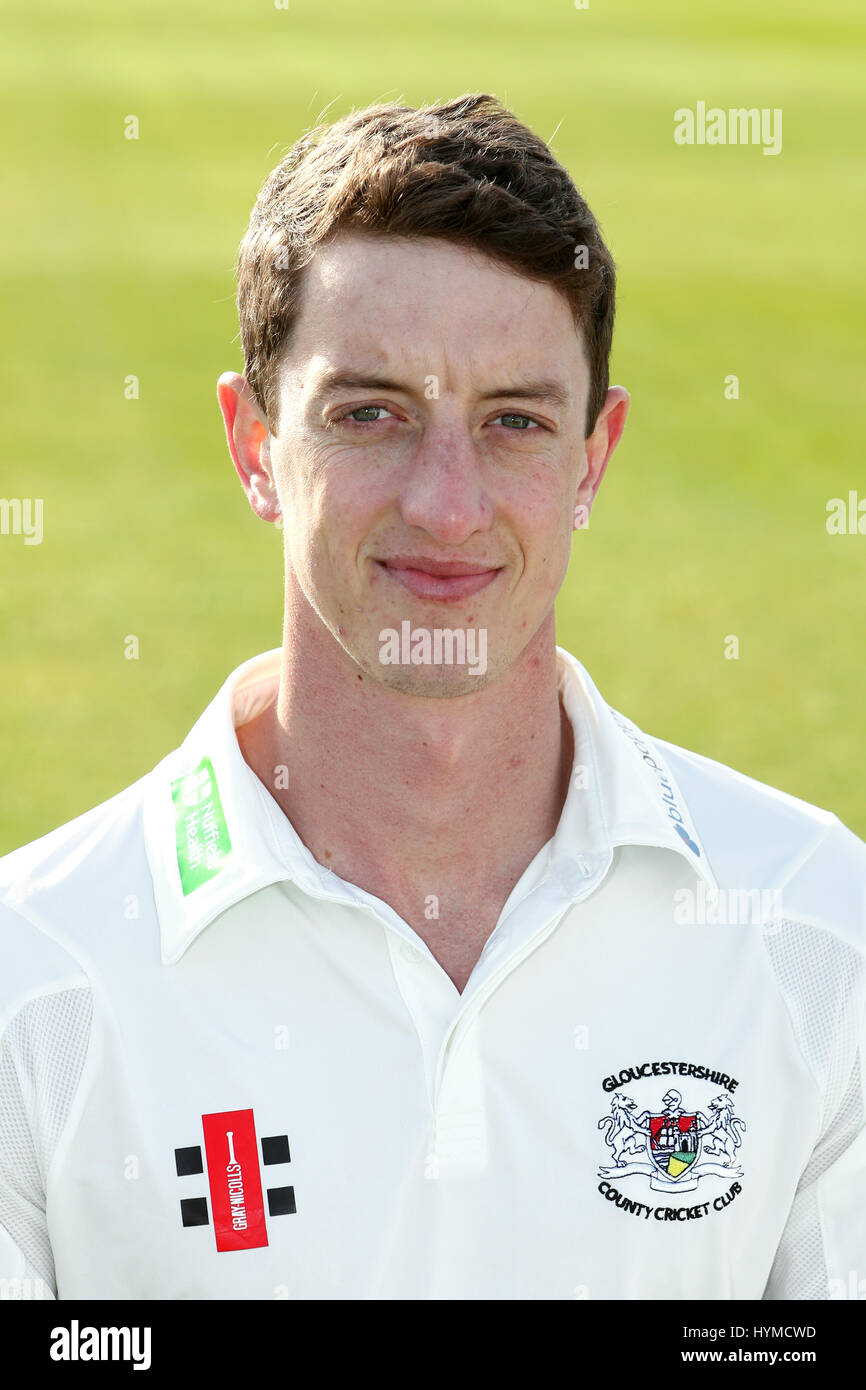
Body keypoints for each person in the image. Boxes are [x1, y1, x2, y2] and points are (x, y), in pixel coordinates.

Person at [1, 92, 863, 1302]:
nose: (447, 505)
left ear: (591, 459)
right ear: (253, 445)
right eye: (370, 413)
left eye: (513, 420)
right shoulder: (31, 974)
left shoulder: (814, 928)